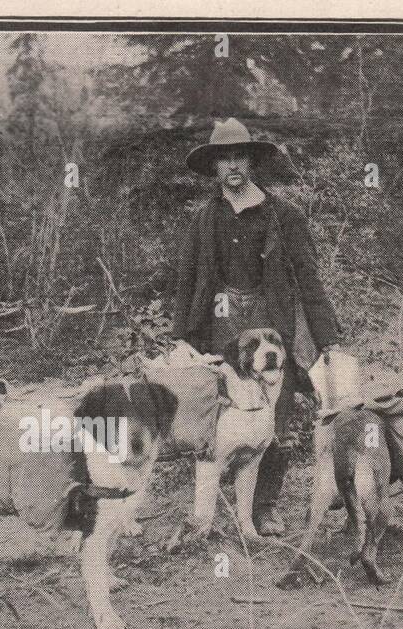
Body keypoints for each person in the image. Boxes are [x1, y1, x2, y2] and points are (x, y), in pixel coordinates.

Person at [171, 118, 342, 535]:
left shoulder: (284, 216)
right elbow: (187, 281)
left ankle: (264, 507)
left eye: (240, 157)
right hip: (220, 322)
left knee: (274, 417)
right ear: (214, 166)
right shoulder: (204, 220)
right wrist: (181, 339)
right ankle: (208, 510)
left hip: (271, 323)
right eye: (224, 158)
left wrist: (329, 341)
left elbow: (309, 280)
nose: (233, 166)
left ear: (251, 162)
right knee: (221, 414)